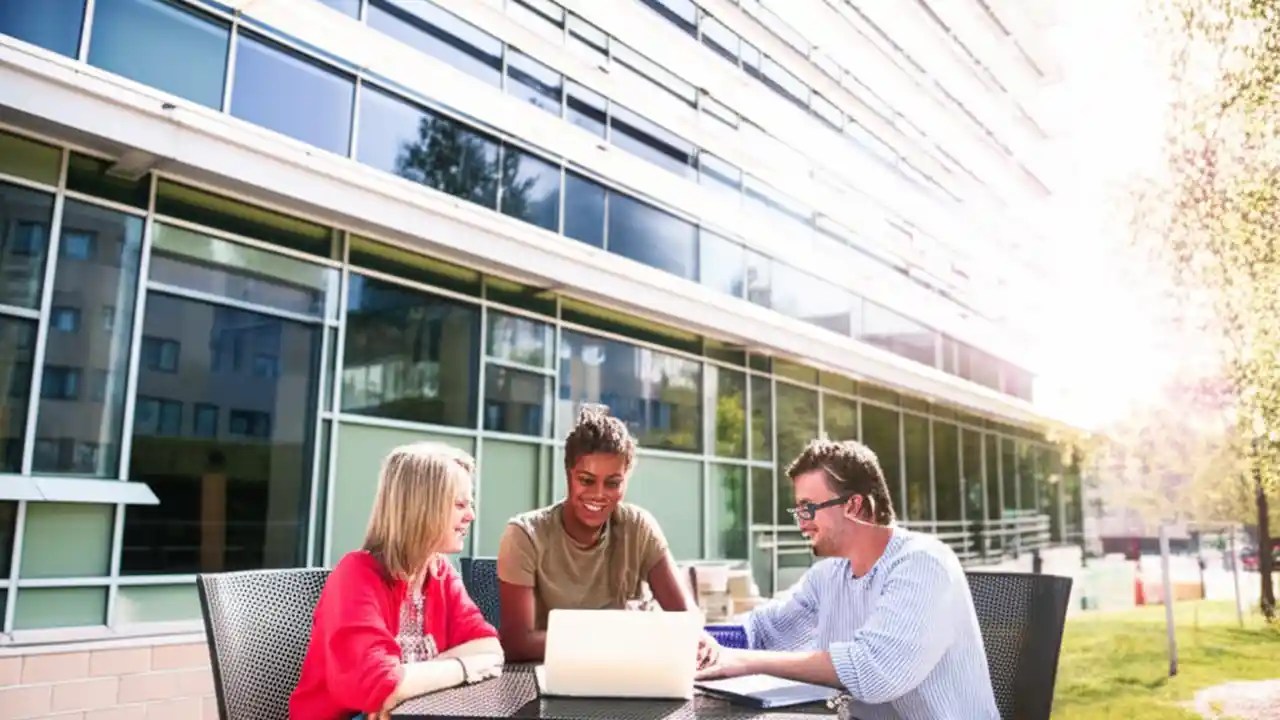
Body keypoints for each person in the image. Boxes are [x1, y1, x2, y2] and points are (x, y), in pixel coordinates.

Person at [696, 438, 998, 720]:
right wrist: (699, 640)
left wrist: (744, 661)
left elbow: (874, 670)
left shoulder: (924, 563)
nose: (802, 523)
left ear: (853, 506)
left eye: (809, 508)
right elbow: (762, 630)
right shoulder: (829, 575)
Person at [291, 442, 504, 720]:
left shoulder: (439, 572)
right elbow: (378, 685)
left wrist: (406, 686)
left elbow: (489, 648)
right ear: (422, 507)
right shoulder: (356, 575)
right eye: (460, 504)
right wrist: (464, 668)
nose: (471, 516)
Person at [496, 403, 715, 666]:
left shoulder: (638, 527)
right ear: (568, 475)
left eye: (613, 483)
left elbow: (684, 619)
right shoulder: (526, 535)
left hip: (632, 673)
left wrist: (698, 639)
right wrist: (620, 637)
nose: (599, 494)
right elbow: (516, 643)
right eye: (586, 480)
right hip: (556, 678)